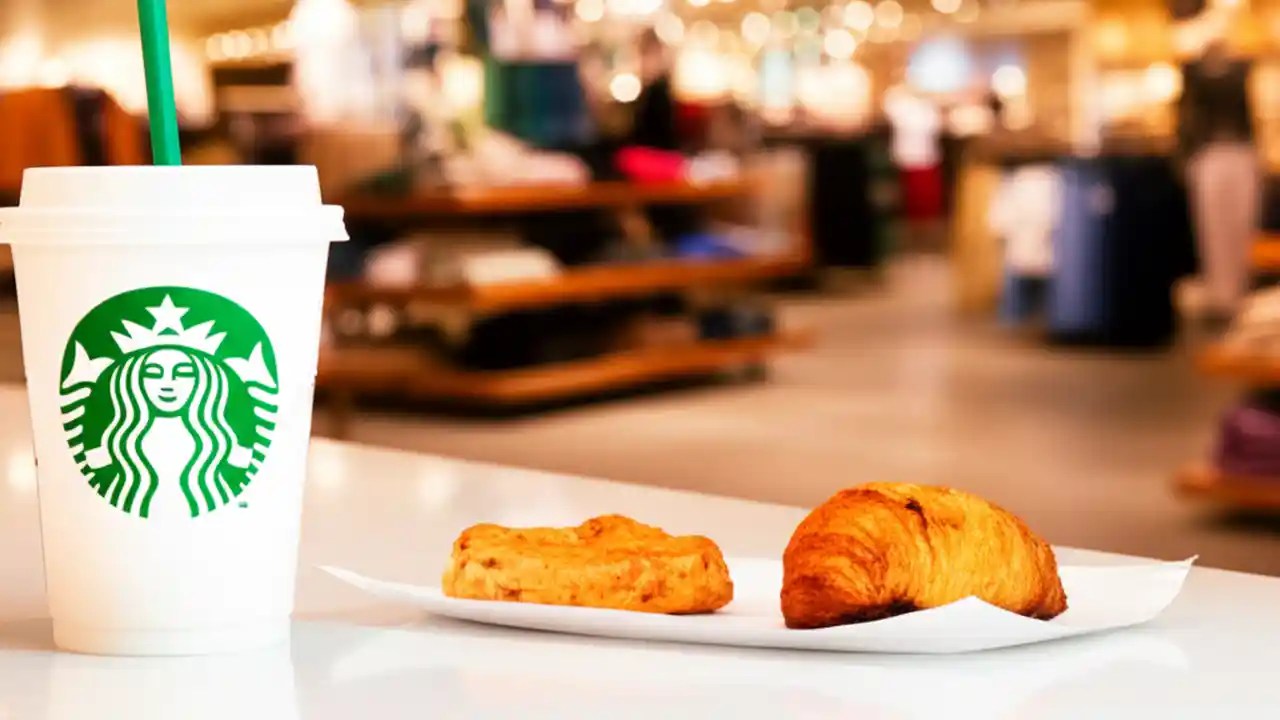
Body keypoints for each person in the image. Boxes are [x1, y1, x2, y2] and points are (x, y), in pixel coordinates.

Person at [1178, 37, 1259, 325]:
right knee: (1213, 231)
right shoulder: (1192, 74)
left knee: (1241, 227)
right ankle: (1222, 299)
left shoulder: (1241, 70)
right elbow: (1186, 121)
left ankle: (1236, 297)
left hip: (1240, 153)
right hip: (1209, 154)